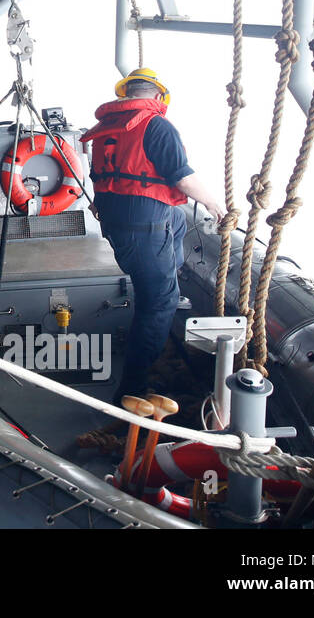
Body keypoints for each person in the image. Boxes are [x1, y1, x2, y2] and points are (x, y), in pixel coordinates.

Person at [81, 68, 225, 403]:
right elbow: (183, 179)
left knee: (176, 218)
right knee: (157, 304)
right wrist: (216, 206)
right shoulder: (157, 125)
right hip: (143, 231)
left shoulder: (107, 128)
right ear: (159, 97)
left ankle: (167, 276)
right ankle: (132, 387)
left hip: (118, 224)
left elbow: (101, 175)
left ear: (126, 94)